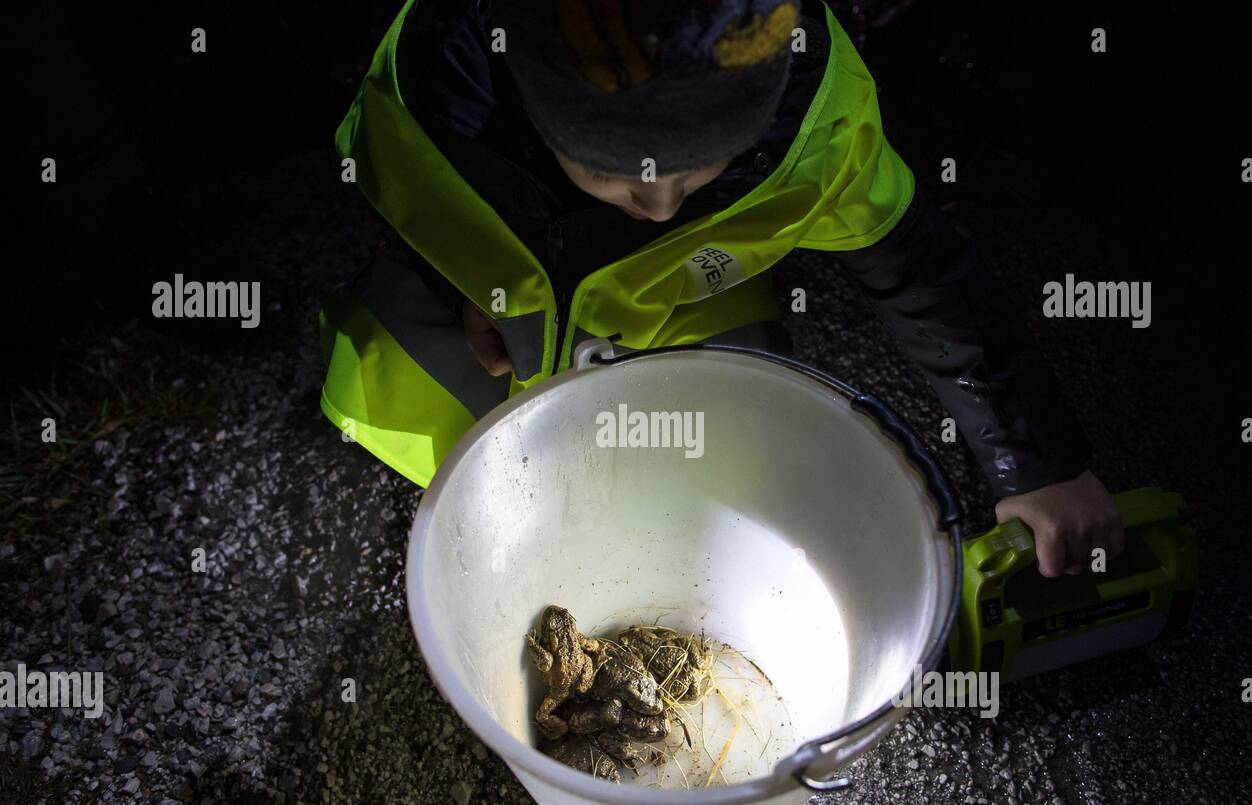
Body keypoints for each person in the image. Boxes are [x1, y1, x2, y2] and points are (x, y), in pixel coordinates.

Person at [319, 0, 1123, 576]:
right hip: (505, 313)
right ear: (528, 97)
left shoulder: (822, 135)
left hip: (664, 301)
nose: (662, 202)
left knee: (725, 439)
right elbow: (418, 203)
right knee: (396, 379)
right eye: (609, 168)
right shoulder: (428, 92)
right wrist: (466, 276)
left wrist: (1038, 462)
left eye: (703, 166)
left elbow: (926, 274)